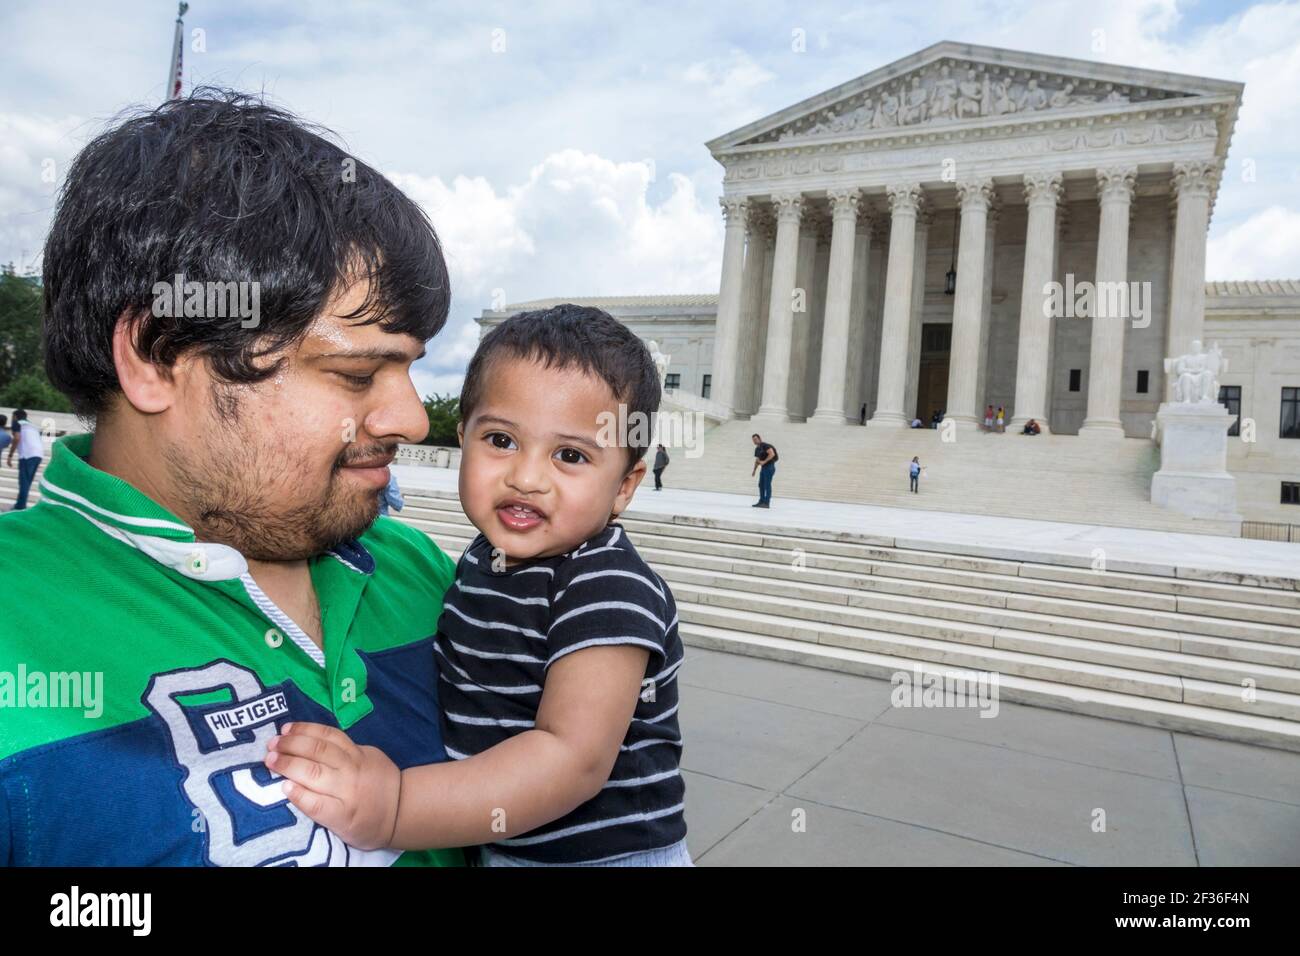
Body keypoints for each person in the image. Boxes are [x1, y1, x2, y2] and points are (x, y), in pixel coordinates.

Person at [0, 90, 465, 866]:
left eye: (411, 370)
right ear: (158, 356)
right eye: (356, 372)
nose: (412, 420)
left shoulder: (424, 572)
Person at [267, 306, 690, 866]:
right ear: (463, 436)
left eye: (570, 455)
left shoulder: (607, 586)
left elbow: (572, 758)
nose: (527, 477)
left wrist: (394, 807)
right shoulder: (482, 559)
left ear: (624, 485)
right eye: (501, 440)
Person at [6, 409, 44, 510]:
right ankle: (20, 504)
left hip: (27, 456)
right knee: (27, 482)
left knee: (24, 482)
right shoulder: (33, 426)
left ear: (15, 416)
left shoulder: (17, 423)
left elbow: (17, 438)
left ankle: (20, 506)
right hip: (38, 455)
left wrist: (10, 455)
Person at [751, 432, 778, 508]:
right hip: (764, 468)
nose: (754, 441)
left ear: (760, 439)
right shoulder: (757, 449)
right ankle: (761, 501)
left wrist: (764, 461)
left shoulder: (765, 445)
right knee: (761, 484)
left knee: (767, 485)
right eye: (753, 440)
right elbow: (757, 460)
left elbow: (772, 454)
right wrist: (754, 470)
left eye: (756, 439)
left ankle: (767, 503)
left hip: (769, 467)